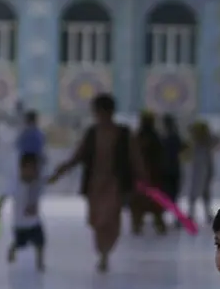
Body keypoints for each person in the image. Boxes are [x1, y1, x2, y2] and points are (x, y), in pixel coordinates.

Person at [48, 93, 148, 273]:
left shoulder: (124, 133)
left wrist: (142, 177)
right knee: (96, 221)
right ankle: (103, 251)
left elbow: (135, 157)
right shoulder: (92, 133)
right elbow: (78, 156)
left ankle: (104, 254)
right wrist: (60, 171)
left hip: (115, 183)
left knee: (109, 219)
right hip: (95, 183)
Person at [0, 152, 45, 271]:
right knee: (21, 243)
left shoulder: (36, 184)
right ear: (21, 169)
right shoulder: (15, 184)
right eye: (29, 169)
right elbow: (3, 197)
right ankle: (12, 249)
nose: (32, 172)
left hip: (34, 221)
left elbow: (47, 181)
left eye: (34, 169)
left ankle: (40, 262)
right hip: (20, 223)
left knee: (40, 241)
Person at [130, 110, 168, 235]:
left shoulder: (140, 137)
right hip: (150, 177)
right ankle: (156, 226)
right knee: (152, 204)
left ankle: (139, 226)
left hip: (144, 178)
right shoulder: (154, 138)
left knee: (143, 204)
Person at [187, 121, 216, 223]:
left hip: (202, 170)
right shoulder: (200, 145)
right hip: (202, 170)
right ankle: (193, 213)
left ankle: (195, 213)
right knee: (198, 194)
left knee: (201, 193)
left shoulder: (202, 145)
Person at [159, 112, 187, 205]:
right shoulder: (174, 137)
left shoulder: (164, 138)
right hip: (172, 168)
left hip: (167, 169)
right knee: (172, 194)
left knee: (168, 194)